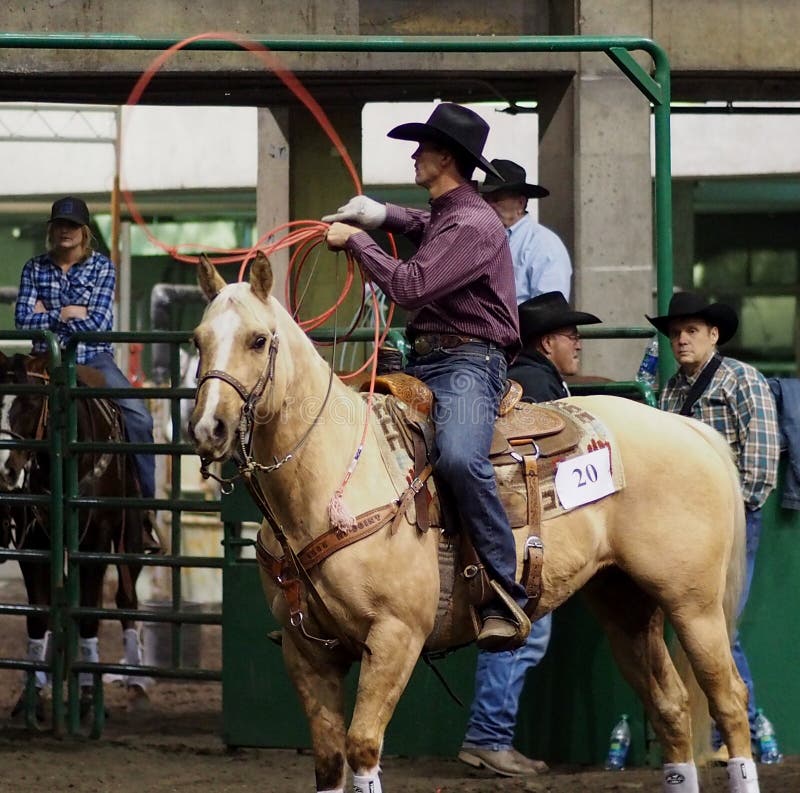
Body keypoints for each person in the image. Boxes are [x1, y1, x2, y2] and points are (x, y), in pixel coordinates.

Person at [323, 103, 529, 651]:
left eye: (423, 148)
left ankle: (504, 591)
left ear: (446, 157)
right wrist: (379, 214)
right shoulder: (452, 215)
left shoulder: (474, 223)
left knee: (462, 458)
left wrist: (359, 240)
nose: (415, 156)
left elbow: (411, 286)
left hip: (470, 362)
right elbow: (422, 225)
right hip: (430, 359)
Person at [458, 290, 602, 777]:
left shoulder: (529, 379)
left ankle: (489, 735)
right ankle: (488, 736)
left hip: (508, 528)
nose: (577, 343)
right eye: (569, 335)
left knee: (523, 633)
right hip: (521, 532)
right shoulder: (536, 386)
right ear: (546, 342)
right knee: (522, 631)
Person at [646, 291, 780, 758]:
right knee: (703, 626)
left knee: (719, 625)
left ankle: (738, 732)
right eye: (676, 332)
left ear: (713, 335)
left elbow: (761, 464)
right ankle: (741, 733)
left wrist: (725, 518)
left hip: (728, 523)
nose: (680, 340)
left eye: (691, 332)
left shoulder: (743, 380)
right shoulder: (671, 390)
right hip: (678, 529)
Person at [14, 196, 159, 554]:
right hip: (44, 360)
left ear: (84, 232)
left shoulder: (102, 268)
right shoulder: (34, 267)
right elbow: (21, 317)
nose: (65, 231)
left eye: (72, 226)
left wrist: (47, 313)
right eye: (59, 225)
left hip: (93, 359)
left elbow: (97, 323)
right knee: (10, 415)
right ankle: (8, 510)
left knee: (139, 418)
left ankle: (143, 516)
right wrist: (66, 314)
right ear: (53, 230)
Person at [479, 159, 572, 303]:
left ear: (520, 203)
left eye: (496, 199)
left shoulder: (543, 244)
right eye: (486, 199)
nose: (488, 205)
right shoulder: (482, 238)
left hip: (523, 324)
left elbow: (549, 309)